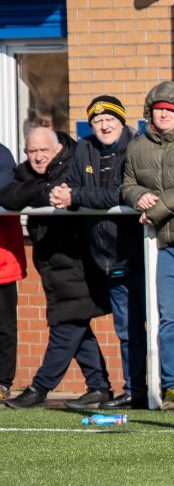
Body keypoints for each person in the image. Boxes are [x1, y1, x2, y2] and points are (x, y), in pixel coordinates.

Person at [0, 127, 113, 409]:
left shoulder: (73, 166)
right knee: (76, 322)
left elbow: (66, 191)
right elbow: (10, 197)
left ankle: (40, 387)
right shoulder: (29, 172)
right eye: (32, 152)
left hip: (77, 258)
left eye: (43, 151)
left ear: (58, 149)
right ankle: (99, 386)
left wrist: (43, 193)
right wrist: (42, 191)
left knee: (67, 323)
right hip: (52, 262)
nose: (37, 158)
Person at [52, 94, 146, 409]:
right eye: (97, 120)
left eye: (109, 119)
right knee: (122, 328)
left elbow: (120, 192)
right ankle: (130, 389)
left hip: (137, 253)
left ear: (122, 121)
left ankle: (160, 389)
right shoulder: (85, 149)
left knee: (152, 325)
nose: (104, 125)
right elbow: (72, 185)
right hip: (102, 256)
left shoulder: (136, 147)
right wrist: (66, 194)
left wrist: (77, 196)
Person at [122, 79, 174, 411]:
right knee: (170, 320)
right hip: (164, 248)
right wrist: (139, 196)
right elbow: (126, 184)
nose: (163, 115)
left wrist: (157, 208)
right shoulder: (137, 146)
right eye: (158, 111)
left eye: (170, 110)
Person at [0, 142, 23, 402]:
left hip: (3, 259)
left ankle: (2, 382)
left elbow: (4, 191)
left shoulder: (2, 155)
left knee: (4, 325)